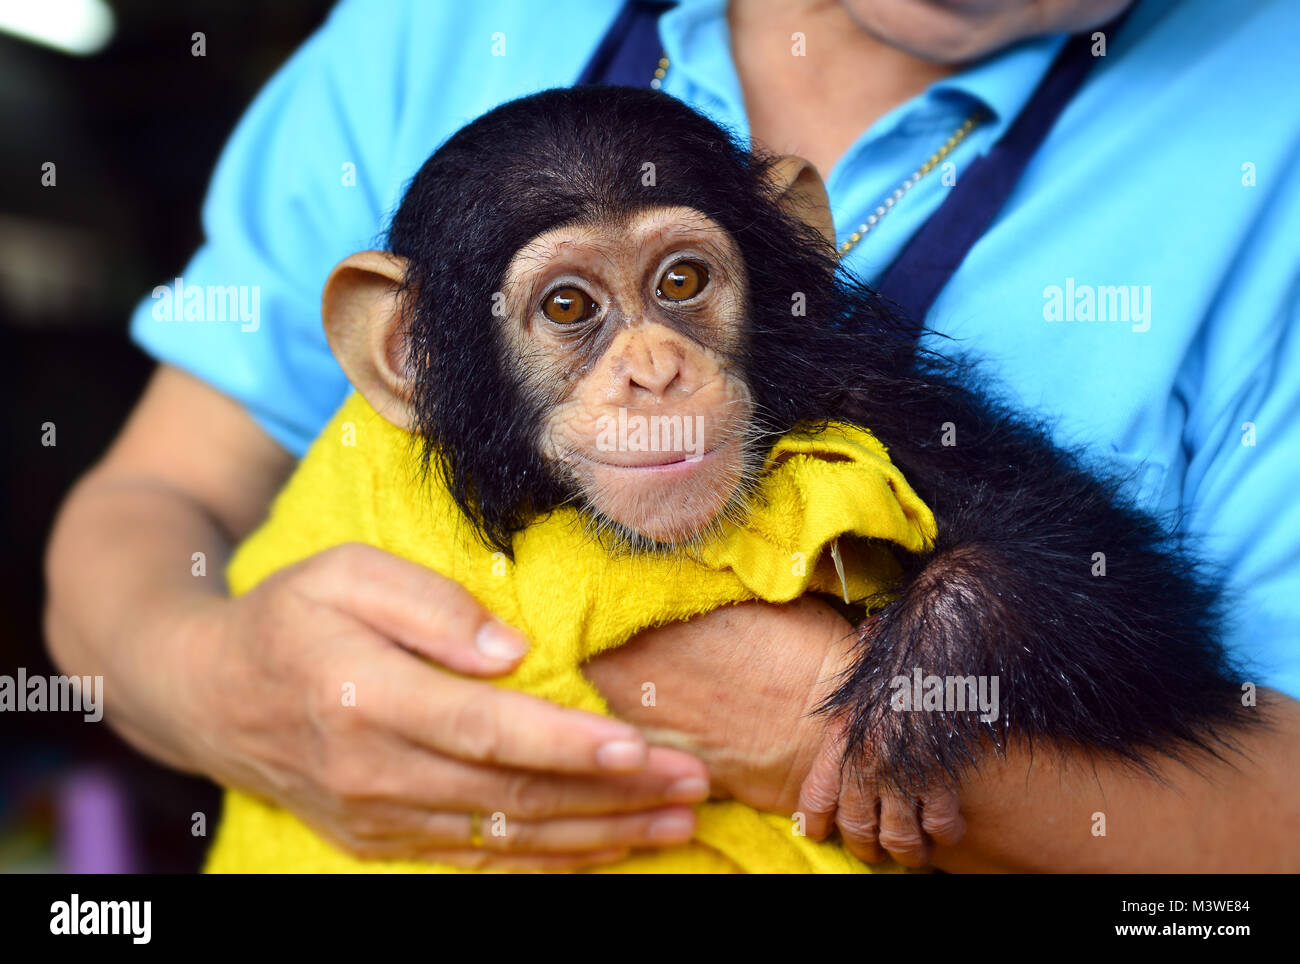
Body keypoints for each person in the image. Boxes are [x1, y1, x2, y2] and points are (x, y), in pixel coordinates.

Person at [45, 0, 1300, 871]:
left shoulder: (1265, 116)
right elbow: (151, 506)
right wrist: (217, 680)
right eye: (574, 308)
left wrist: (809, 726)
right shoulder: (429, 33)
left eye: (686, 285)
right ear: (405, 352)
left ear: (788, 243)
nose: (650, 366)